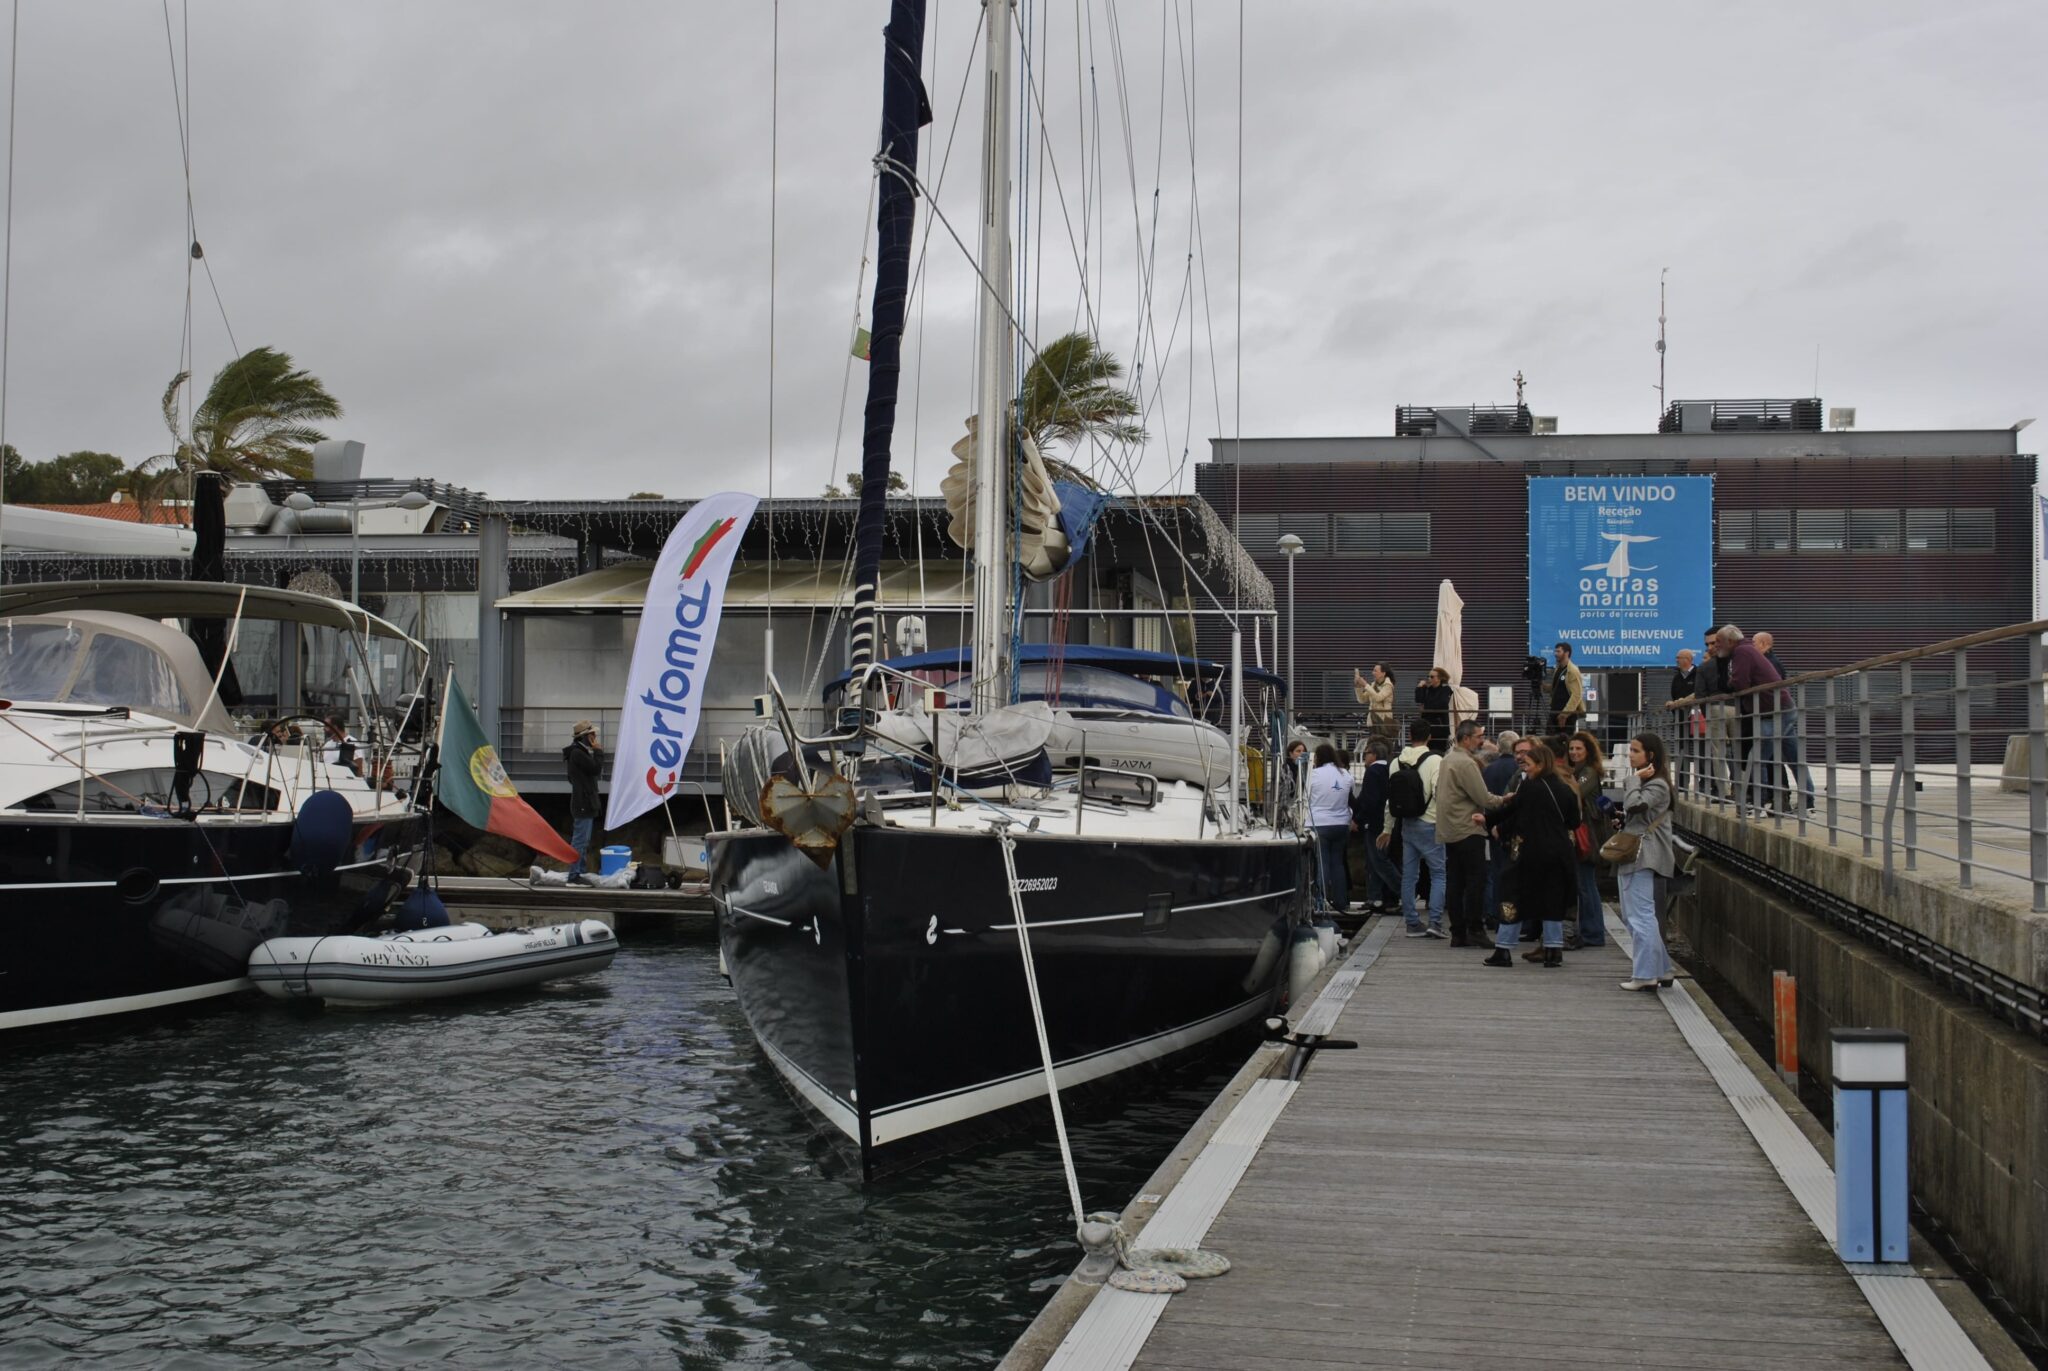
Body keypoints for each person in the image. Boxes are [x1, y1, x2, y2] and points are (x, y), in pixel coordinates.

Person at [1478, 740, 1577, 969]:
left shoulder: (1530, 787)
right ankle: (1553, 950)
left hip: (1529, 851)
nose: (1526, 767)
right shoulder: (1565, 788)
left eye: (1529, 763)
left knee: (1512, 895)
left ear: (1541, 764)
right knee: (1552, 899)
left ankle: (1503, 949)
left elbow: (1513, 812)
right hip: (1560, 852)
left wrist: (1489, 821)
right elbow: (1575, 820)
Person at [1616, 732, 1678, 991]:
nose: (1630, 754)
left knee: (1639, 916)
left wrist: (1632, 780)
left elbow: (1635, 805)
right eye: (1630, 750)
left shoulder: (1657, 784)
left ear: (1650, 755)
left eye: (1635, 750)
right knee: (1642, 915)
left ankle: (1644, 975)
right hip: (1644, 852)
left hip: (1643, 855)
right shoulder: (1655, 783)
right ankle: (1662, 969)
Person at [1436, 720, 1507, 948]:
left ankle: (1458, 932)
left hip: (1449, 829)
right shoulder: (1466, 763)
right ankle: (1475, 929)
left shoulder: (1447, 760)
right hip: (1468, 828)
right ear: (1466, 738)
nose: (1482, 740)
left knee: (1455, 882)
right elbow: (1483, 798)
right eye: (1479, 736)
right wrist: (1506, 799)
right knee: (1476, 881)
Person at [1379, 720, 1445, 937]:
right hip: (1431, 822)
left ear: (1409, 735)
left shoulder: (1395, 762)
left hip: (1406, 823)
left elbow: (1390, 800)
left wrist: (1387, 828)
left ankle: (1412, 923)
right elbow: (1439, 793)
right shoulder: (1435, 760)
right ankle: (1435, 922)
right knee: (1438, 874)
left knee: (1409, 875)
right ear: (1429, 737)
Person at [1718, 625, 1787, 811]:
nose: (1716, 646)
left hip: (1771, 711)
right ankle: (1770, 801)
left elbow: (1739, 682)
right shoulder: (1745, 651)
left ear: (1730, 641)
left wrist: (1733, 682)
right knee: (1768, 756)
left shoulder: (1743, 651)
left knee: (1761, 757)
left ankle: (1762, 802)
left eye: (1718, 642)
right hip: (1769, 710)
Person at [1754, 632, 1815, 813]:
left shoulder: (1768, 663)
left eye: (1755, 642)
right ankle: (1808, 802)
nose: (1752, 646)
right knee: (1794, 758)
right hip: (1783, 713)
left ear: (1765, 644)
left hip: (1776, 714)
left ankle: (1760, 803)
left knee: (1760, 757)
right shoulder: (1772, 661)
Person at [1564, 730, 1608, 949]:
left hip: (1587, 833)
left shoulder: (1588, 772)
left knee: (1586, 884)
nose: (1574, 752)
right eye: (1571, 748)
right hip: (1585, 830)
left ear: (1588, 751)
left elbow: (1576, 794)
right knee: (1583, 883)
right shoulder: (1578, 770)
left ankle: (1593, 933)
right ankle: (1587, 930)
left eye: (1578, 748)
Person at [1482, 731, 1528, 927]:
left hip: (1494, 824)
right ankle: (1517, 917)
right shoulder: (1519, 770)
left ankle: (1494, 913)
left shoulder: (1489, 769)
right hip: (1515, 827)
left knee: (1495, 871)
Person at [1308, 742, 1356, 914]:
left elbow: (1305, 796)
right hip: (1341, 822)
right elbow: (1350, 796)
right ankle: (1341, 901)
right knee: (1338, 863)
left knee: (1322, 863)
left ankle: (1321, 901)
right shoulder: (1346, 775)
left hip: (1319, 822)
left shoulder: (1313, 775)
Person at [1350, 742, 1398, 912]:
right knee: (1375, 862)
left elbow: (1370, 799)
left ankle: (1402, 890)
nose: (1364, 757)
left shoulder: (1373, 771)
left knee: (1378, 861)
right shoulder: (1390, 769)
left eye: (1366, 753)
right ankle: (1375, 897)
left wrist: (1359, 819)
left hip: (1374, 823)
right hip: (1388, 821)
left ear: (1375, 755)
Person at [1693, 627, 1736, 800]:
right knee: (1740, 751)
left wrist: (1707, 713)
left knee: (1719, 754)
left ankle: (1724, 791)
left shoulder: (1704, 667)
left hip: (1715, 708)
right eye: (1708, 644)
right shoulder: (1737, 660)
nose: (1710, 647)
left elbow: (1700, 695)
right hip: (1737, 708)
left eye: (1713, 643)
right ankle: (1741, 789)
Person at [563, 719, 604, 882]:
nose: (595, 736)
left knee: (583, 840)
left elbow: (572, 778)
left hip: (583, 802)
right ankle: (574, 874)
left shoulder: (577, 752)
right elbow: (595, 769)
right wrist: (598, 751)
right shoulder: (578, 753)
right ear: (585, 736)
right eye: (592, 734)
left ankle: (579, 871)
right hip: (583, 804)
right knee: (580, 840)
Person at [1668, 648, 1701, 795]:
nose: (1676, 660)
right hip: (1681, 720)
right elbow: (1674, 696)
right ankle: (1682, 784)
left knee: (1702, 750)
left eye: (1678, 657)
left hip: (1698, 717)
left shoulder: (1699, 674)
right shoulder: (1676, 678)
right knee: (1683, 750)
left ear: (1687, 659)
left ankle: (1705, 782)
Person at [1353, 663, 1396, 746]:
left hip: (1383, 722)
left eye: (1375, 671)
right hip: (1373, 721)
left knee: (1382, 746)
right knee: (1374, 747)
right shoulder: (1373, 685)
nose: (1373, 673)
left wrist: (1365, 685)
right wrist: (1358, 686)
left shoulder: (1388, 686)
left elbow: (1378, 697)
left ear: (1383, 673)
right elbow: (1362, 700)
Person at [1413, 668, 1454, 755]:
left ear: (1439, 678)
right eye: (1428, 676)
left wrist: (1426, 706)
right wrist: (1420, 687)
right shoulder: (1427, 689)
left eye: (1432, 677)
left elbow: (1442, 704)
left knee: (1439, 753)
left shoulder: (1446, 689)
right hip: (1427, 727)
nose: (1429, 679)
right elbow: (1419, 699)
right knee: (1426, 752)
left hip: (1440, 727)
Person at [1548, 642, 1584, 735]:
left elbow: (1577, 694)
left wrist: (1565, 714)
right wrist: (1541, 685)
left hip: (1566, 715)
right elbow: (1556, 689)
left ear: (1566, 653)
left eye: (1558, 651)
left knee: (1564, 742)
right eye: (1555, 651)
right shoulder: (1558, 669)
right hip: (1554, 711)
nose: (1555, 654)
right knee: (1551, 741)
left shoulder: (1572, 670)